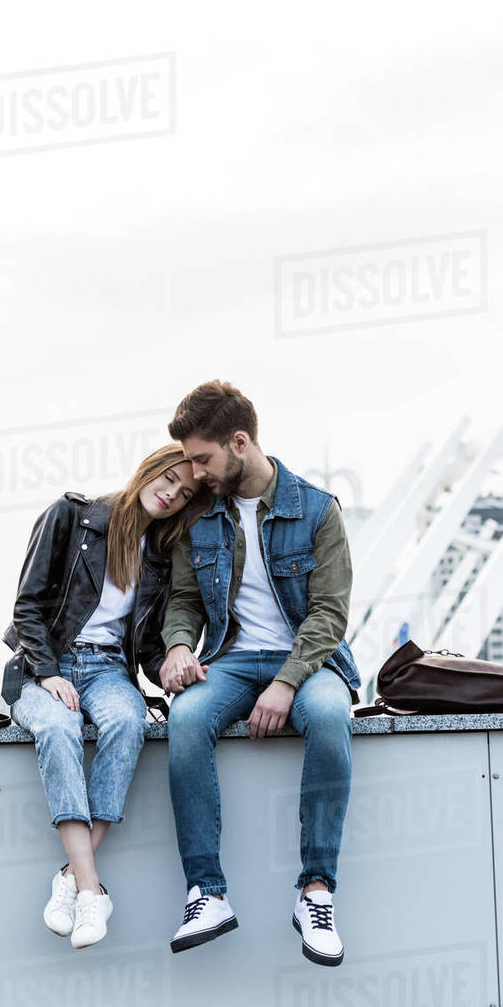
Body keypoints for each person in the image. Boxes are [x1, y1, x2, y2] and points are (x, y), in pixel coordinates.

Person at [159, 381, 361, 966]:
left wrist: (286, 682)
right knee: (188, 717)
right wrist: (177, 646)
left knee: (327, 715)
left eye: (203, 458)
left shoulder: (318, 510)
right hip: (232, 660)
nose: (195, 473)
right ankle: (206, 893)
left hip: (307, 661)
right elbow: (184, 601)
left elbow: (329, 614)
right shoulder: (200, 518)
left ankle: (315, 891)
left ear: (239, 443)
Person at [0, 444, 211, 949]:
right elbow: (26, 605)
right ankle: (94, 891)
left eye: (184, 494)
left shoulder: (158, 556)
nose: (172, 494)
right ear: (150, 468)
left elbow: (150, 649)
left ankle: (73, 881)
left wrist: (177, 671)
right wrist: (48, 672)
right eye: (170, 479)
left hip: (110, 670)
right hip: (43, 667)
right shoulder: (72, 517)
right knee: (57, 726)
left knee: (126, 722)